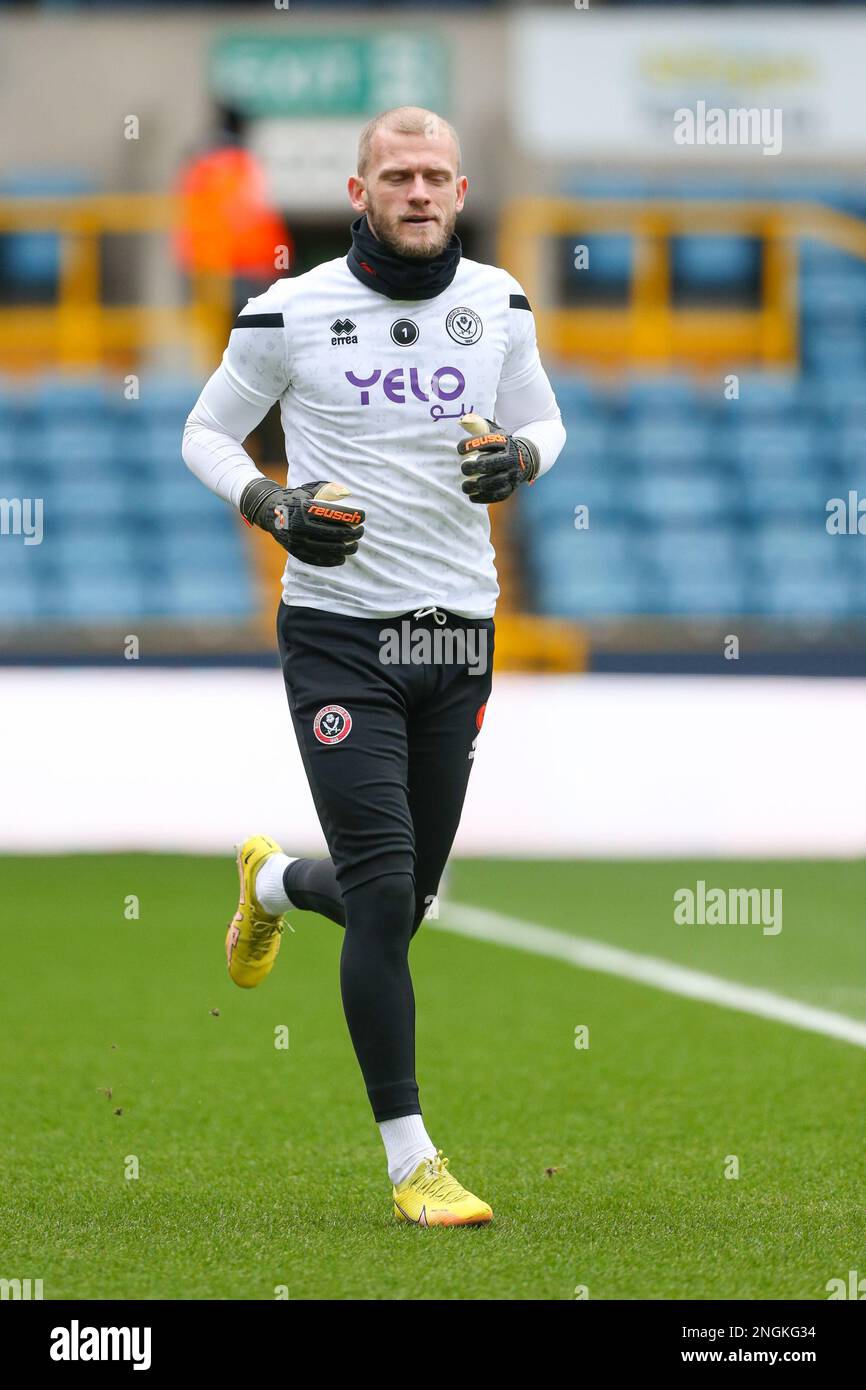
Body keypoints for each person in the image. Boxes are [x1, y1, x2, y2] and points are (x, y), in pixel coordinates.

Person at [182, 106, 565, 1227]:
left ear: (458, 190)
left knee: (404, 902)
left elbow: (545, 420)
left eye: (434, 175)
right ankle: (412, 1162)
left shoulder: (497, 301)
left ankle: (267, 884)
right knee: (389, 892)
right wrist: (270, 502)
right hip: (341, 630)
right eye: (395, 174)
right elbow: (205, 432)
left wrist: (521, 458)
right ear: (357, 192)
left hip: (455, 632)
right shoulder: (286, 312)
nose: (416, 191)